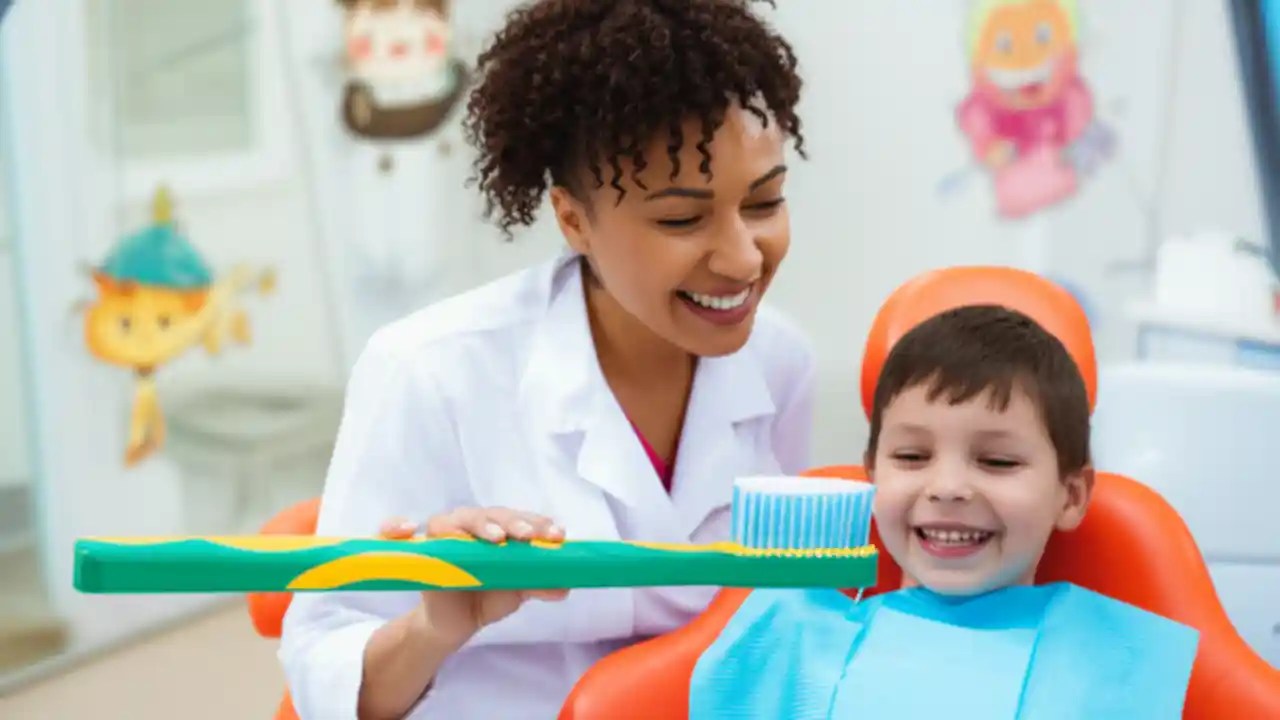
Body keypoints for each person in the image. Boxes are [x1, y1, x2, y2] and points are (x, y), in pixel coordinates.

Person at [279, 1, 814, 718]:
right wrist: (435, 626)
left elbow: (771, 618)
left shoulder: (780, 360)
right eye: (682, 218)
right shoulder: (430, 370)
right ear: (572, 219)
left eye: (764, 202)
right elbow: (327, 674)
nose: (744, 257)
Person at [689, 306, 1200, 718]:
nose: (949, 488)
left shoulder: (1118, 662)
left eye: (997, 461)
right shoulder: (790, 641)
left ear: (1070, 494)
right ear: (872, 476)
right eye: (911, 457)